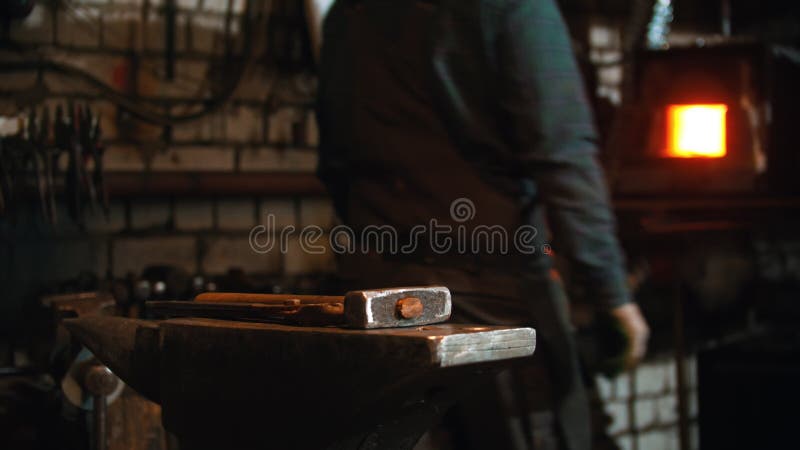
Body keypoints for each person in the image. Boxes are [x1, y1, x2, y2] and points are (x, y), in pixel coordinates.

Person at [314, 1, 649, 449]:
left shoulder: (349, 12)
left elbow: (335, 161)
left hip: (375, 296)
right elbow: (563, 156)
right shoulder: (516, 7)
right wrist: (614, 295)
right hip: (492, 303)